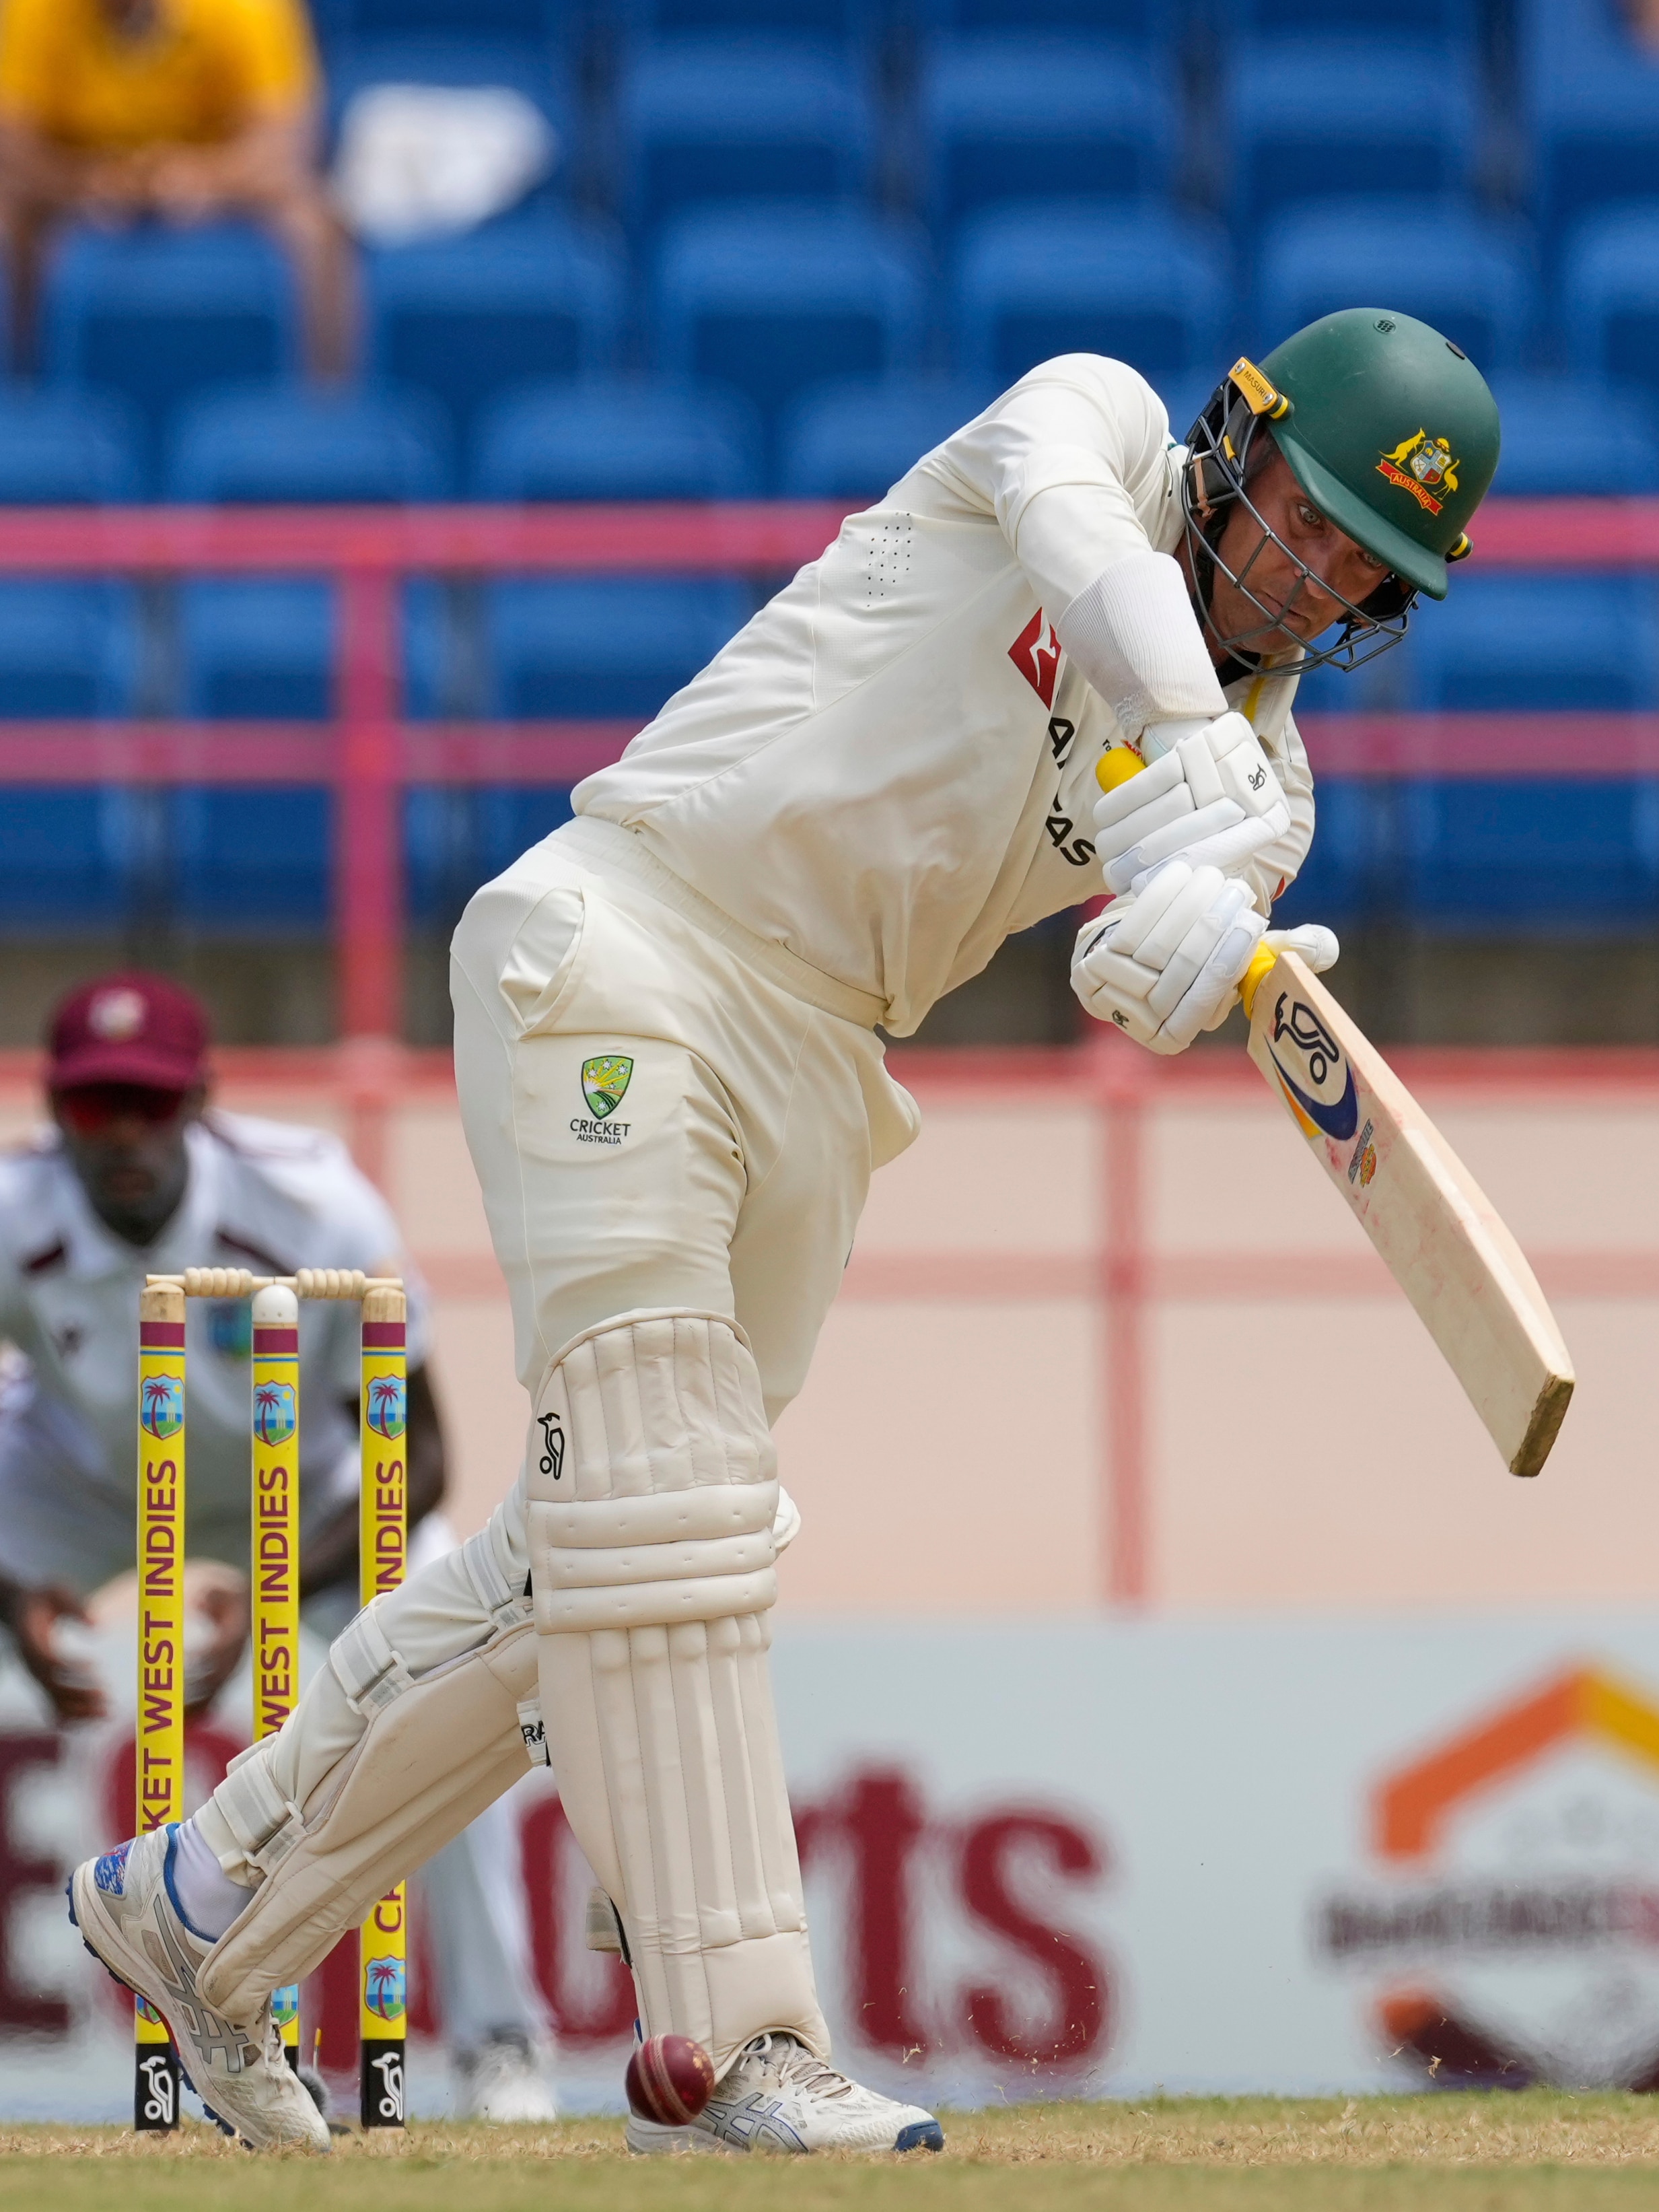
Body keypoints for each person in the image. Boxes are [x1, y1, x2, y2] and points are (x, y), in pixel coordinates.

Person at [69, 311, 1502, 2153]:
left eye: (1357, 579)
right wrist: (1181, 742)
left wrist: (1201, 931)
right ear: (1242, 439)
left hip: (823, 1059)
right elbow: (1077, 538)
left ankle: (197, 1908)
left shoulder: (1268, 782)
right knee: (661, 1496)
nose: (1304, 584)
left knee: (598, 1552)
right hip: (632, 936)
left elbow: (1130, 958)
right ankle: (749, 2043)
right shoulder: (1096, 417)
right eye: (1304, 518)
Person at [3, 971, 551, 2118]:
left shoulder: (314, 1208)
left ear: (199, 1099)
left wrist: (268, 1589)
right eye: (97, 1109)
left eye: (149, 1106)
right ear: (55, 1112)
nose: (124, 1138)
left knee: (453, 1694)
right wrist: (11, 1593)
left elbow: (430, 1453)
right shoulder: (16, 1212)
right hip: (91, 1480)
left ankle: (504, 2044)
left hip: (314, 1496)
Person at [0, 0, 354, 376]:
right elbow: (14, 144)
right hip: (76, 170)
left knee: (315, 223)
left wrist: (205, 177)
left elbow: (287, 142)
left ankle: (325, 404)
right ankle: (23, 401)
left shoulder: (250, 8)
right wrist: (85, 181)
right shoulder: (30, 8)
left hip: (221, 168)